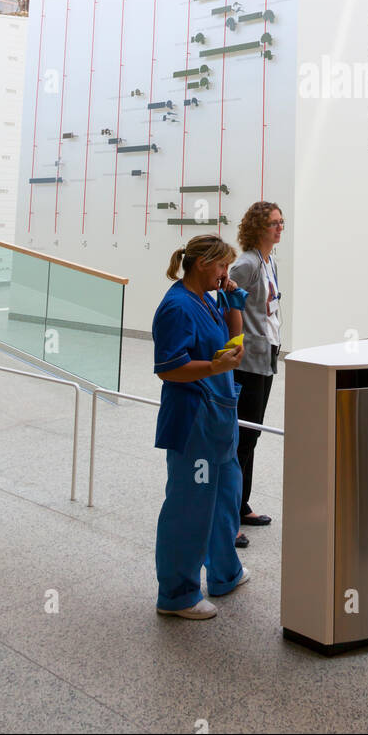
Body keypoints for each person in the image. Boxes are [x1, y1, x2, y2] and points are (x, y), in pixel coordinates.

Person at [153, 235, 250, 619]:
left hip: (219, 414)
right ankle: (177, 594)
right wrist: (212, 368)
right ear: (201, 263)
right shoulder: (177, 307)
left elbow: (233, 344)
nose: (226, 273)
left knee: (226, 495)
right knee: (189, 507)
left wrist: (233, 302)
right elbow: (168, 368)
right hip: (194, 418)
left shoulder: (208, 300)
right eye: (222, 266)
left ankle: (226, 572)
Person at [227, 201, 283, 537]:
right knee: (242, 437)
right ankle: (230, 513)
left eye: (281, 222)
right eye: (274, 223)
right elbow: (227, 305)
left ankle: (241, 504)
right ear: (257, 227)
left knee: (252, 435)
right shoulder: (245, 264)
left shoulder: (269, 260)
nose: (279, 228)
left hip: (266, 356)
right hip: (247, 361)